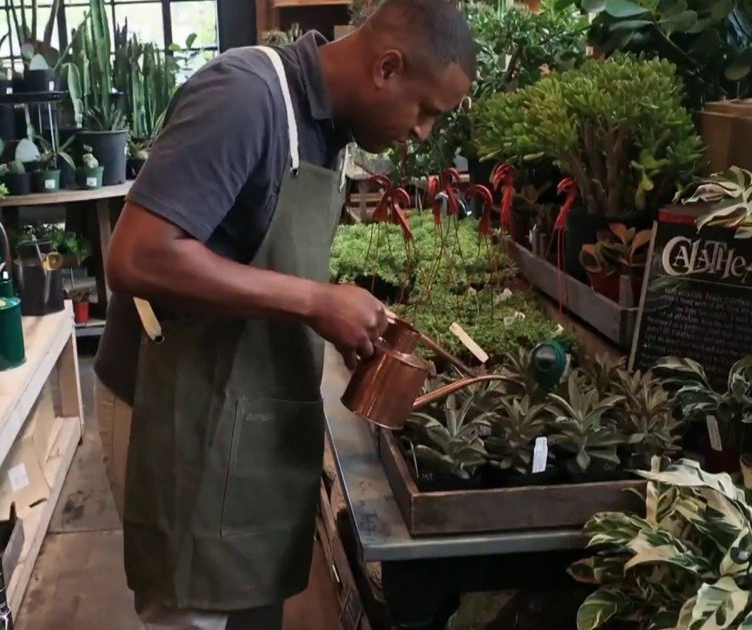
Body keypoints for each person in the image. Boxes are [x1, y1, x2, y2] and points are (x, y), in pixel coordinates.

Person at [94, 0, 476, 625]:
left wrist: (333, 313)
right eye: (426, 111)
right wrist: (314, 299)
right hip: (175, 414)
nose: (423, 133)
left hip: (245, 411)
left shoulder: (329, 131)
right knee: (194, 610)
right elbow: (137, 258)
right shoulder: (246, 97)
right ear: (386, 67)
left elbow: (252, 252)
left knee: (250, 610)